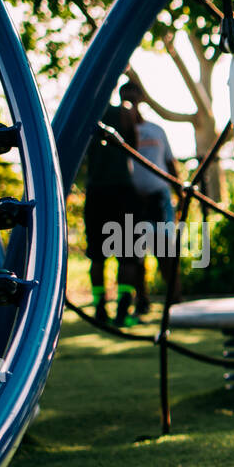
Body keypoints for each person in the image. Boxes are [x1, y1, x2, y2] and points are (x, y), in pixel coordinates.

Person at [121, 81, 180, 318]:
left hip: (159, 197)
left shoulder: (157, 130)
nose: (132, 102)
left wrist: (180, 192)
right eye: (127, 98)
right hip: (132, 199)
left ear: (142, 99)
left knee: (166, 251)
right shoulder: (120, 133)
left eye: (135, 97)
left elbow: (169, 162)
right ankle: (141, 300)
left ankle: (175, 301)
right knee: (133, 253)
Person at [82, 97, 139, 326]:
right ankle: (123, 312)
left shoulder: (85, 114)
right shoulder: (124, 112)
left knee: (97, 254)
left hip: (96, 191)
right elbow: (133, 147)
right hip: (121, 191)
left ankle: (100, 308)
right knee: (126, 256)